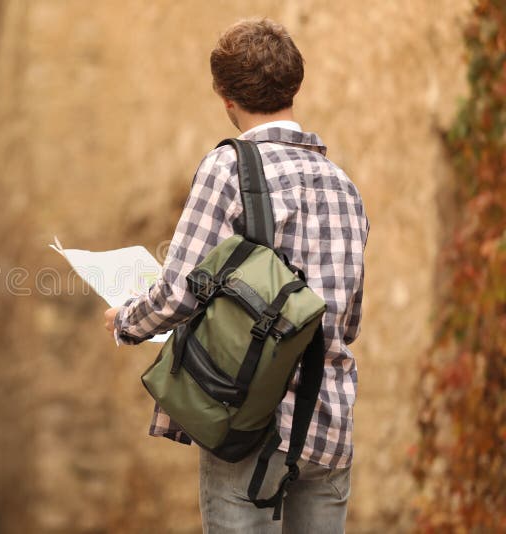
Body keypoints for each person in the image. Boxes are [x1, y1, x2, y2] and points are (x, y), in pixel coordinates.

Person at [103, 18, 369, 533]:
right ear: (295, 84)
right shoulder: (345, 187)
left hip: (251, 422)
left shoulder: (231, 168)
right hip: (330, 423)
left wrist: (126, 321)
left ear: (225, 96)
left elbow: (179, 292)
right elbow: (348, 321)